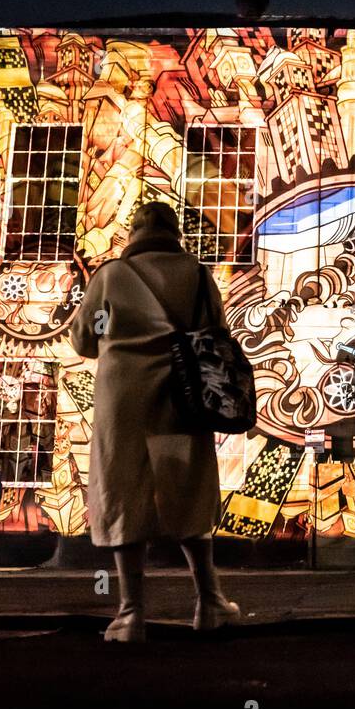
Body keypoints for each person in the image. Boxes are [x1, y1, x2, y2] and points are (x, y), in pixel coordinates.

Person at [71, 201, 241, 643]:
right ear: (175, 232)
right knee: (187, 490)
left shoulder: (109, 276)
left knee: (123, 491)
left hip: (121, 397)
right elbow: (216, 333)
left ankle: (130, 615)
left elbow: (83, 340)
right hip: (182, 395)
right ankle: (210, 601)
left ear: (133, 233)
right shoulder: (199, 275)